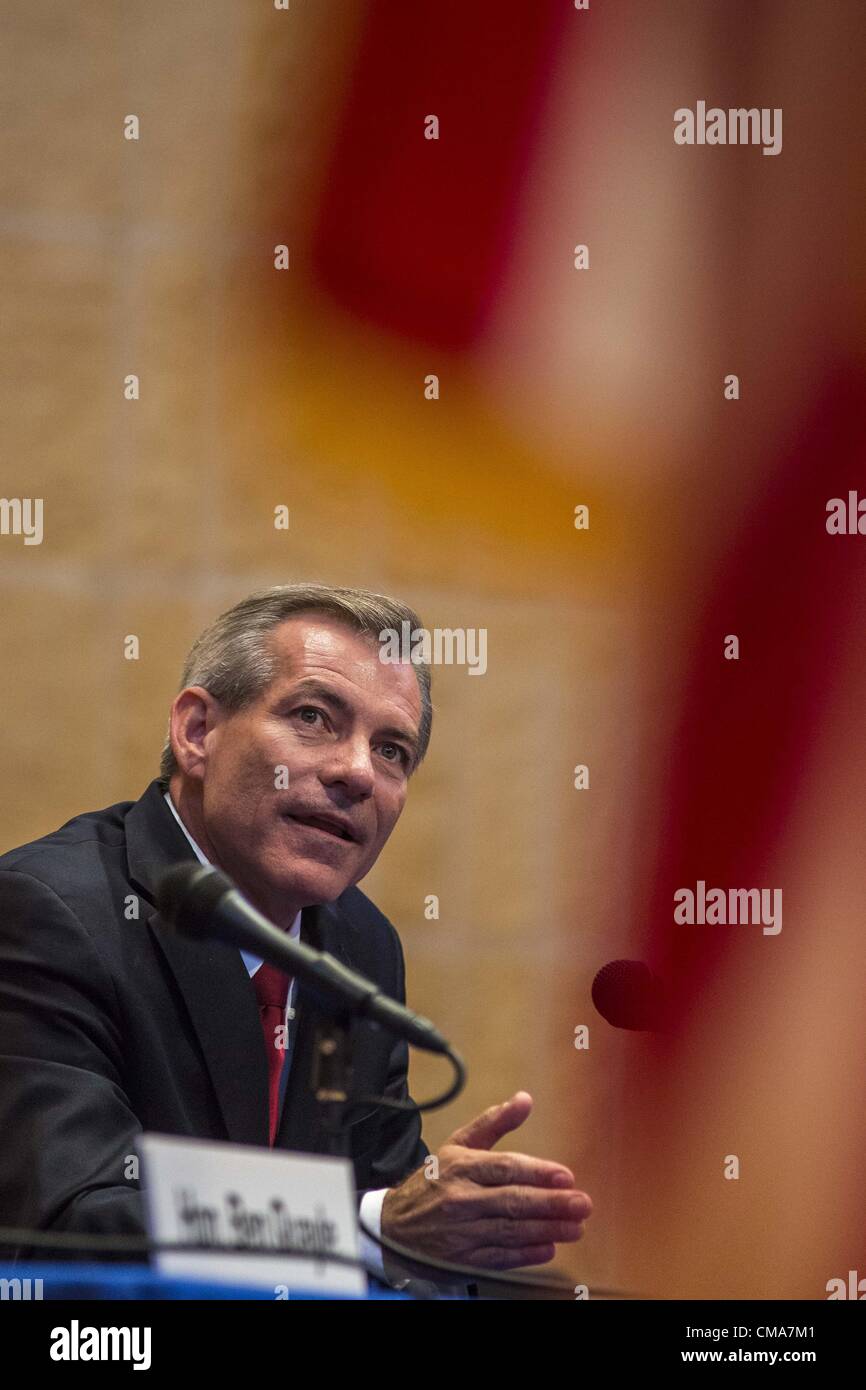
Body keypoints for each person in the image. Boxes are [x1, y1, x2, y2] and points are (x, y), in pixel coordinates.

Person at [0, 582, 591, 1285]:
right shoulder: (49, 911)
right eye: (313, 717)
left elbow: (388, 1200)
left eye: (394, 750)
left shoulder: (357, 945)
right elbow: (74, 1223)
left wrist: (462, 1245)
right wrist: (369, 1229)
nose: (357, 773)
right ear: (196, 732)